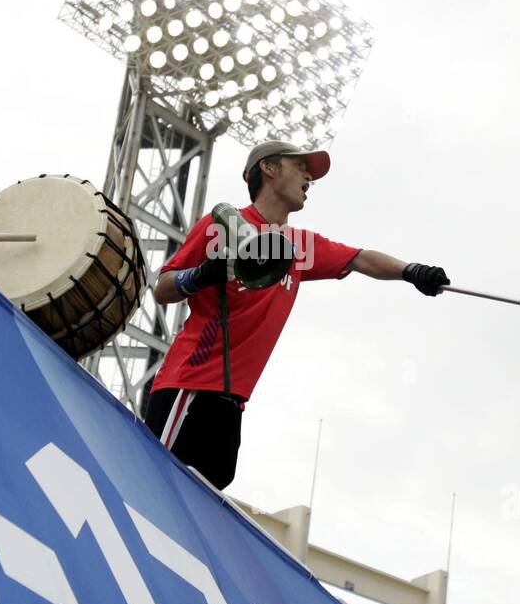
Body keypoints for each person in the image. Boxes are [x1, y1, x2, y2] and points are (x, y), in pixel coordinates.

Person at [144, 140, 449, 490]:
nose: (309, 176)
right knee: (154, 494)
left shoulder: (299, 246)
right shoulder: (221, 226)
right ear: (268, 169)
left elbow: (361, 258)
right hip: (189, 389)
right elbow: (163, 287)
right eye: (300, 165)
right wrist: (200, 275)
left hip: (232, 406)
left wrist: (412, 271)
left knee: (192, 519)